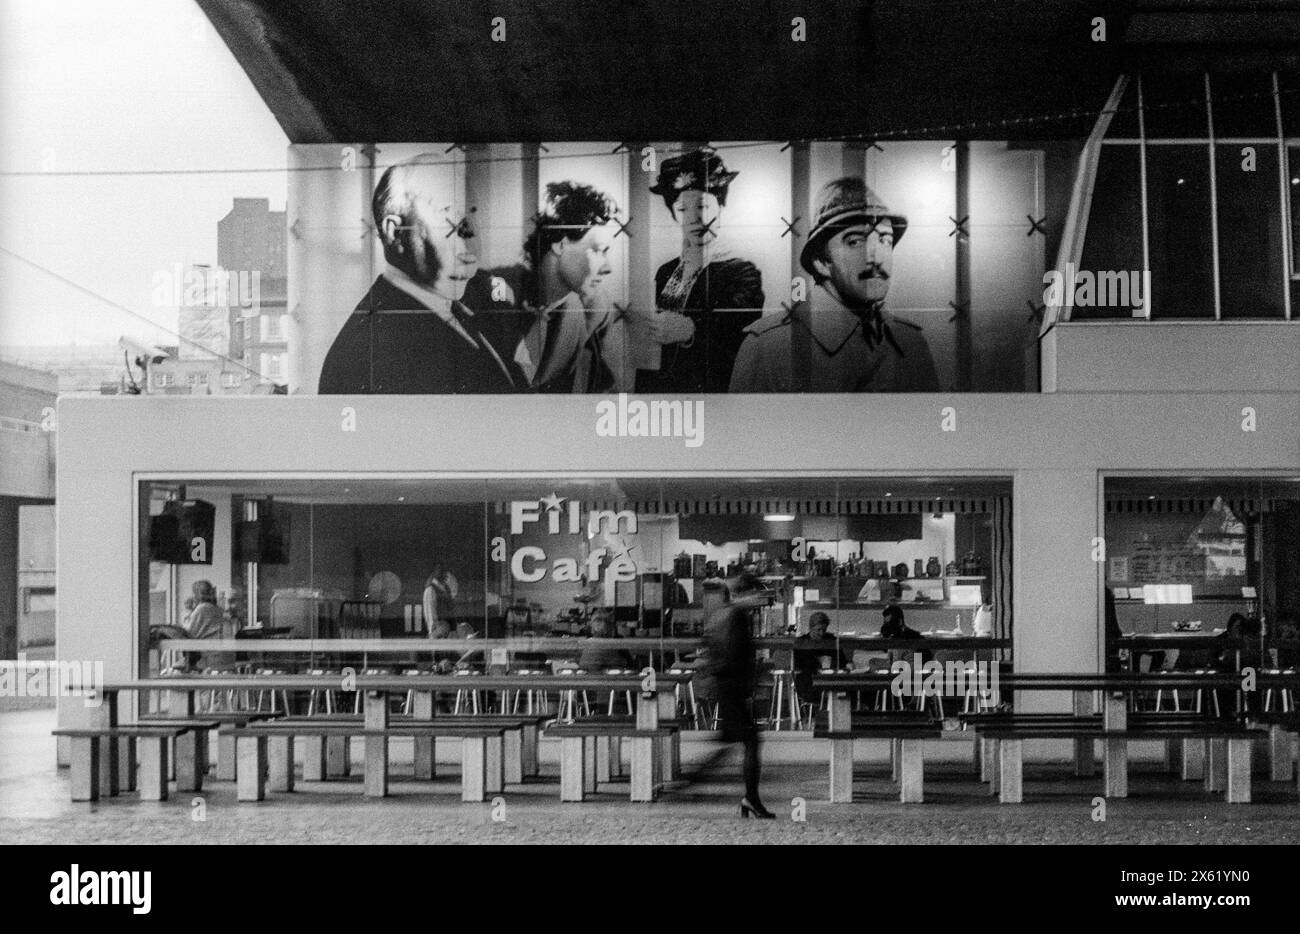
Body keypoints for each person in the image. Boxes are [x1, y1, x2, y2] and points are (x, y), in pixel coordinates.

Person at [318, 153, 529, 394]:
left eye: (470, 214)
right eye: (447, 216)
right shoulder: (367, 353)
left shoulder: (473, 299)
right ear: (395, 233)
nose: (470, 240)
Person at [729, 176, 940, 392]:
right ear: (821, 262)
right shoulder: (768, 347)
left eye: (885, 240)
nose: (877, 258)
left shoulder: (910, 342)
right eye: (855, 241)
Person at [635, 147, 764, 393]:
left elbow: (739, 334)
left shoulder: (742, 273)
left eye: (703, 206)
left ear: (721, 206)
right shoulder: (666, 271)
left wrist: (689, 330)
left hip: (714, 392)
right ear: (673, 214)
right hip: (664, 392)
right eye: (682, 209)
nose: (694, 218)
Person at [491, 181, 630, 393]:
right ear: (560, 245)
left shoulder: (595, 309)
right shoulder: (499, 291)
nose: (608, 267)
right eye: (599, 251)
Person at [696, 571, 774, 818]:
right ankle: (750, 798)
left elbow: (713, 649)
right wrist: (754, 674)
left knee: (734, 740)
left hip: (726, 687)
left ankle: (695, 778)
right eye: (756, 594)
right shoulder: (737, 616)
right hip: (732, 688)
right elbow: (734, 655)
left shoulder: (723, 614)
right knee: (751, 741)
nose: (758, 599)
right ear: (744, 593)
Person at [793, 611, 851, 704]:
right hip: (809, 681)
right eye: (818, 629)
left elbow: (841, 660)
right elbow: (798, 666)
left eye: (824, 630)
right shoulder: (802, 642)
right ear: (811, 628)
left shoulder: (831, 640)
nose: (821, 633)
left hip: (831, 679)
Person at [422, 565, 459, 635]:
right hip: (440, 633)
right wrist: (435, 631)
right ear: (433, 573)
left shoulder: (446, 589)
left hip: (450, 632)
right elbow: (431, 613)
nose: (444, 573)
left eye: (444, 571)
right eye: (440, 570)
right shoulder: (430, 590)